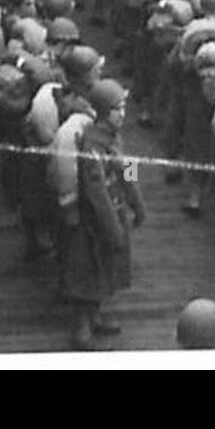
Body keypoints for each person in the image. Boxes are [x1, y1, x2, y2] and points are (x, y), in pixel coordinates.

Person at [60, 79, 145, 350]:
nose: (122, 114)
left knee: (104, 272)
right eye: (116, 109)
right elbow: (96, 192)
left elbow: (127, 171)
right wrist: (113, 229)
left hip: (116, 210)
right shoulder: (92, 146)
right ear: (101, 111)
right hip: (94, 222)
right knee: (87, 273)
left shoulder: (114, 140)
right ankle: (81, 326)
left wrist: (137, 203)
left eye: (123, 108)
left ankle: (95, 315)